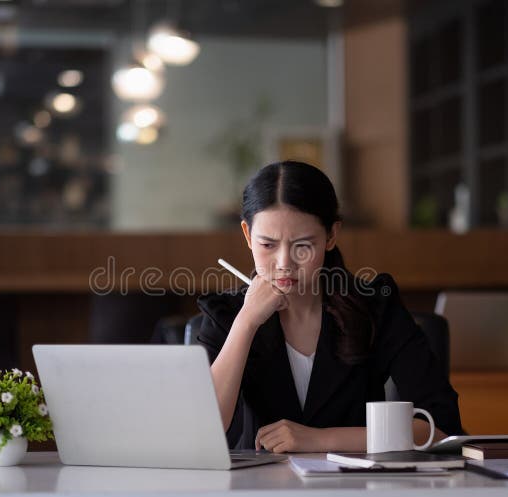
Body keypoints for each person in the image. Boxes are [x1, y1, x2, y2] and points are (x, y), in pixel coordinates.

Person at [197, 160, 463, 453]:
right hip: (256, 492)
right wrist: (246, 322)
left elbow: (441, 426)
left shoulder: (375, 307)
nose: (284, 263)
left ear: (331, 236)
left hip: (355, 490)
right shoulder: (228, 314)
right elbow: (202, 430)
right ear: (248, 235)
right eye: (268, 245)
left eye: (303, 245)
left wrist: (319, 440)